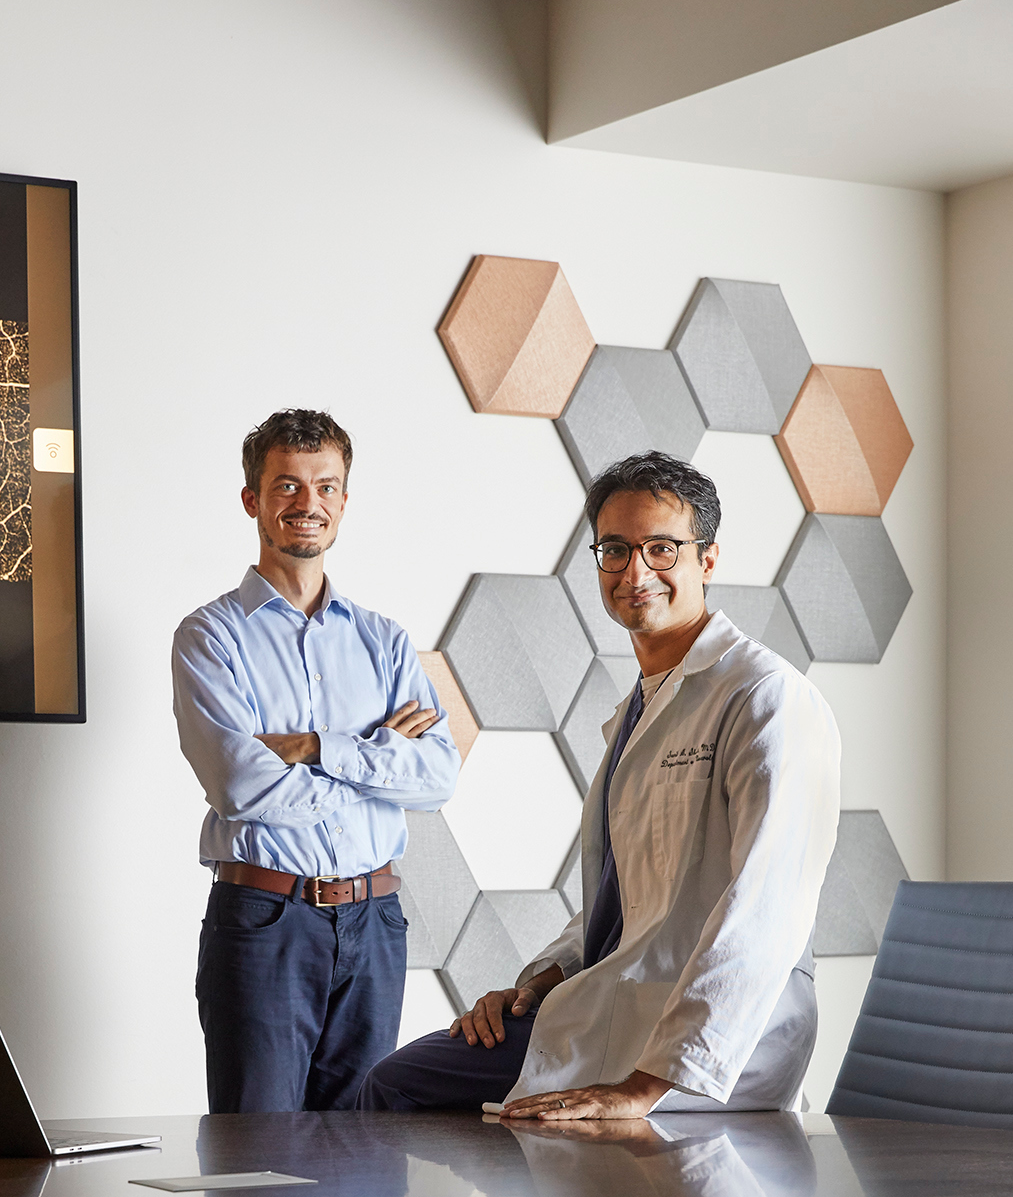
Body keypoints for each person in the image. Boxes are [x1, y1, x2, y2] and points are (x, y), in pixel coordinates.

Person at [359, 449, 840, 1119]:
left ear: (707, 560)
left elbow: (765, 912)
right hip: (624, 1003)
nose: (634, 571)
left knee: (400, 1089)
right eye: (614, 550)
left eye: (662, 549)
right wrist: (536, 987)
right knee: (400, 1082)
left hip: (715, 1042)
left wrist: (640, 1089)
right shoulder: (641, 709)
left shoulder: (765, 698)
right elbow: (629, 903)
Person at [173, 408, 460, 1113]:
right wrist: (373, 763)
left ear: (343, 501)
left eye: (326, 487)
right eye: (287, 487)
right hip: (265, 918)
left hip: (375, 920)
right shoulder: (210, 637)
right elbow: (239, 785)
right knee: (259, 1157)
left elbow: (437, 778)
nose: (309, 504)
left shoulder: (384, 643)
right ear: (253, 501)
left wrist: (311, 749)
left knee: (362, 1160)